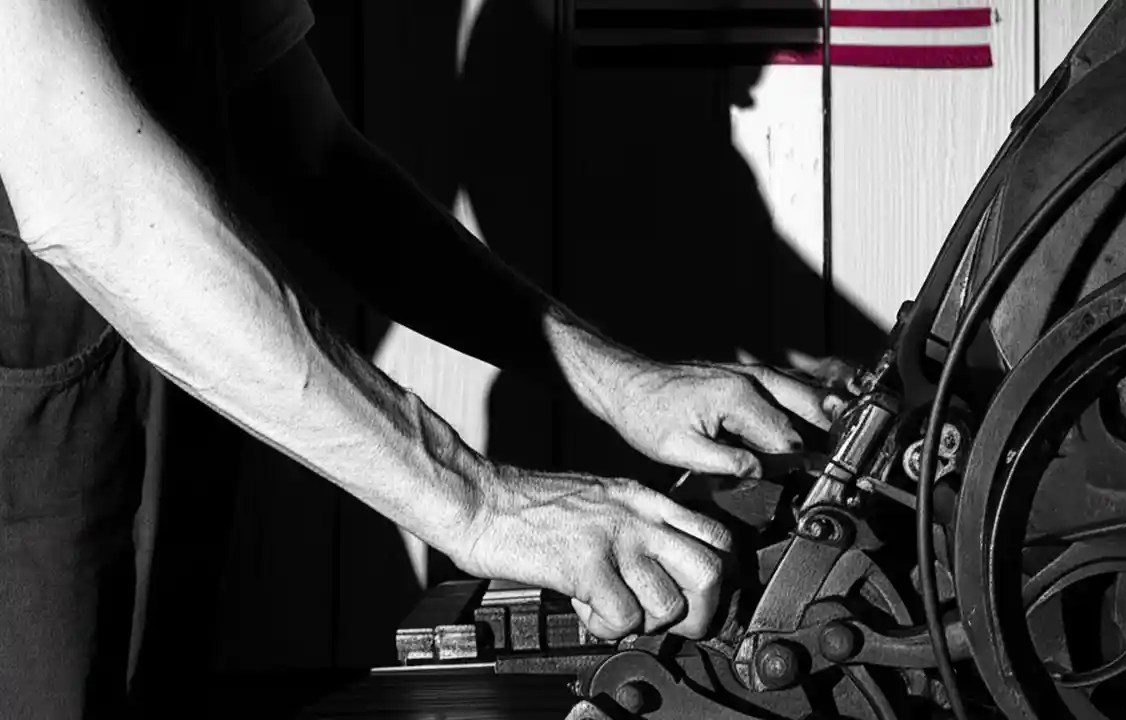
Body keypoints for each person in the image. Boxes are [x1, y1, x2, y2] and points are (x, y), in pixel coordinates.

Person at [0, 1, 842, 716]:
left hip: (167, 407)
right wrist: (477, 502)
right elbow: (93, 200)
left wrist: (616, 379)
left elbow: (317, 161)